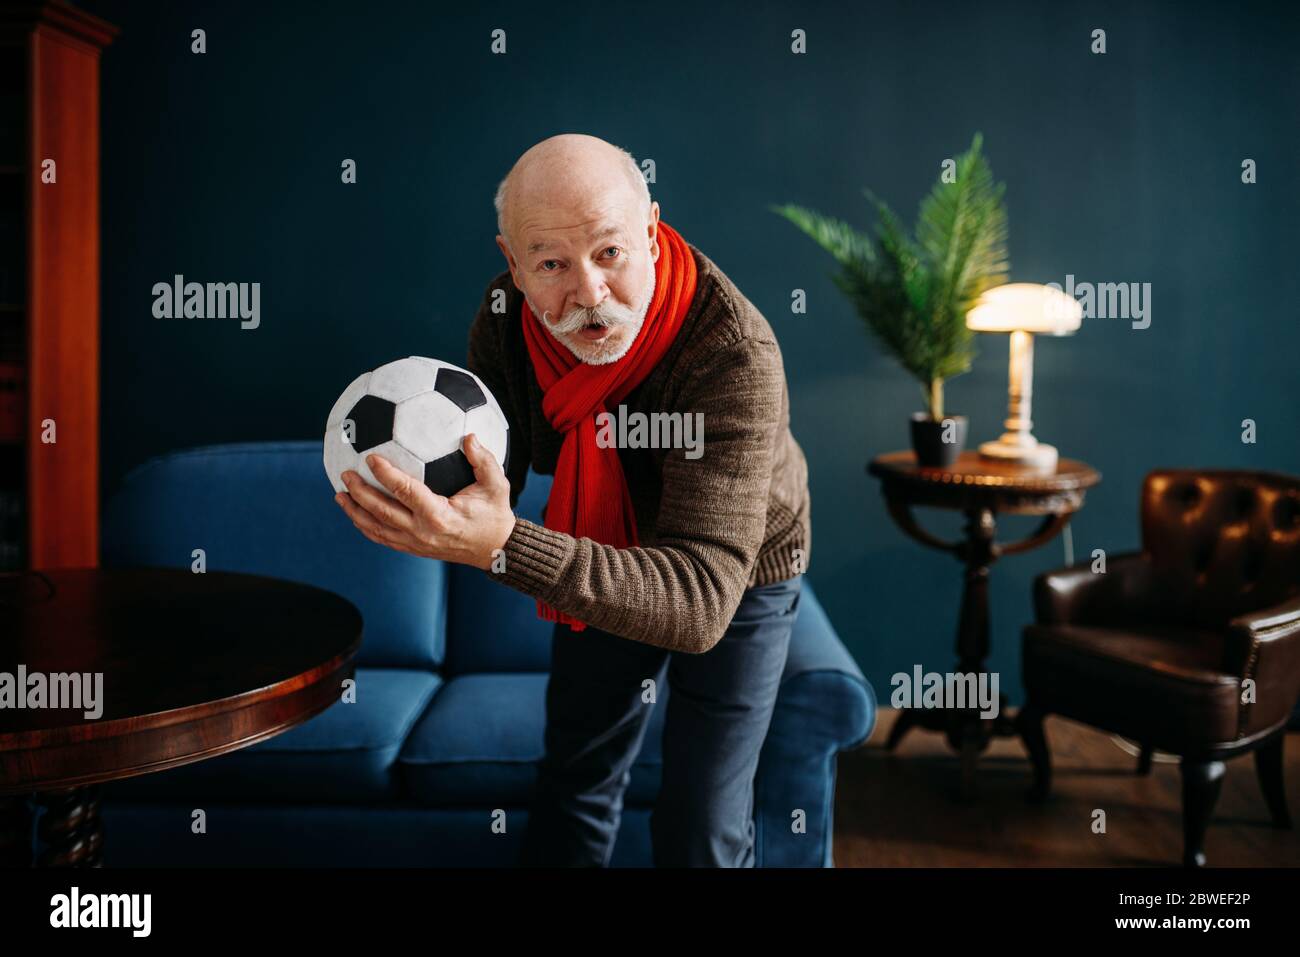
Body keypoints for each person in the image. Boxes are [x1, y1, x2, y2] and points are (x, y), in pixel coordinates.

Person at [334, 132, 811, 867]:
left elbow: (697, 604)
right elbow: (494, 472)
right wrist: (418, 509)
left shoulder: (732, 354)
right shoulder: (503, 319)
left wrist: (500, 544)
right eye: (552, 262)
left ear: (651, 231)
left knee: (700, 827)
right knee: (573, 780)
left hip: (733, 574)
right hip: (606, 540)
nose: (588, 292)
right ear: (513, 264)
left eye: (611, 252)